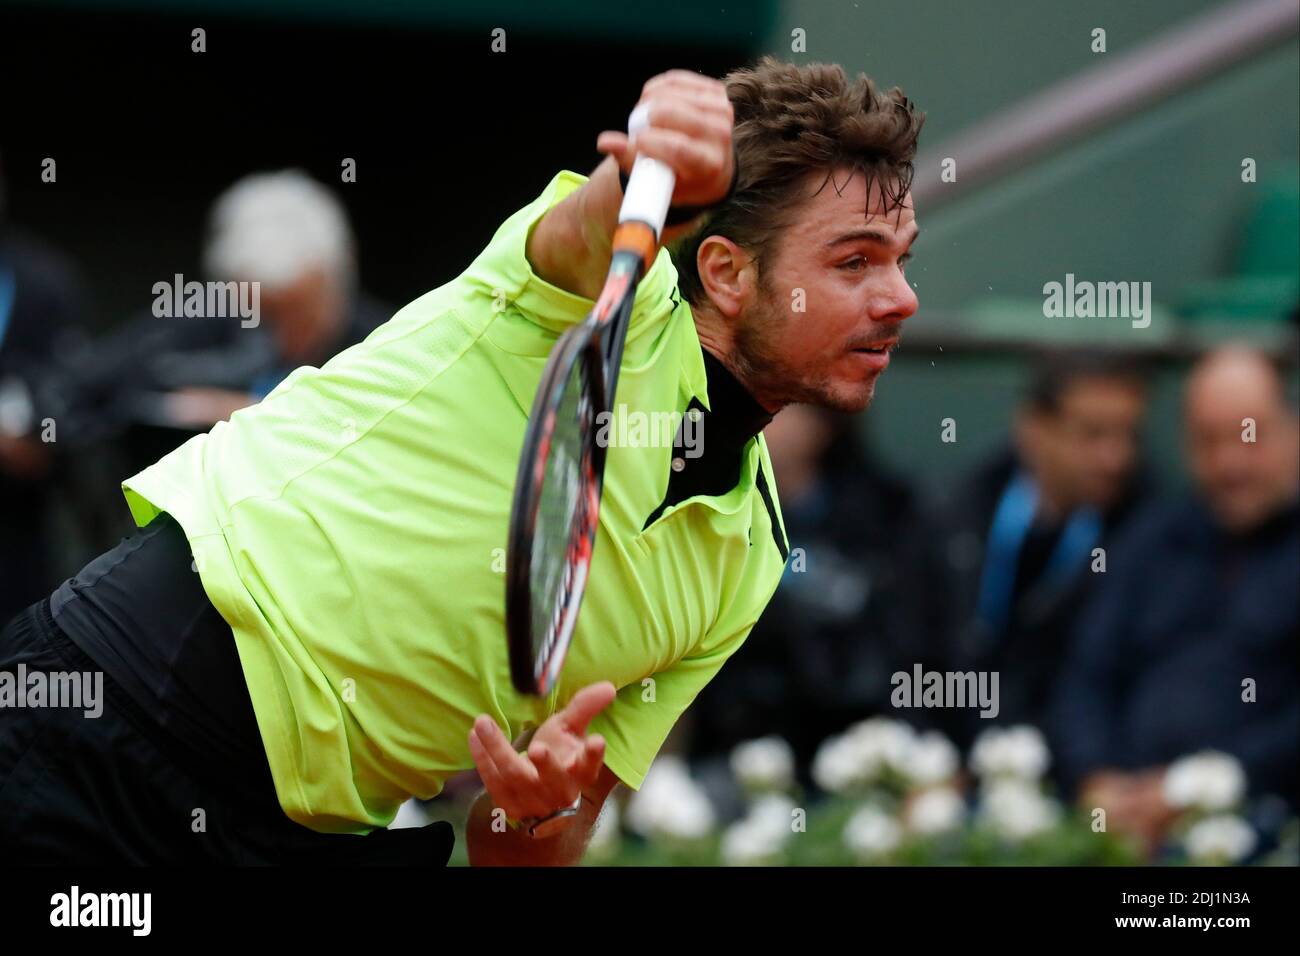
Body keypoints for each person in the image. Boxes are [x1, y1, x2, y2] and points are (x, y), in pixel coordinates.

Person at [0, 58, 923, 865]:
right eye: (856, 262)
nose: (902, 298)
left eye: (902, 261)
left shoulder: (747, 562)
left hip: (308, 834)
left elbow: (523, 850)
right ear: (724, 271)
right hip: (110, 711)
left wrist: (538, 811)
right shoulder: (604, 295)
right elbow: (590, 223)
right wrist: (654, 168)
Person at [1051, 346, 1300, 853]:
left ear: (1292, 432)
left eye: (1250, 436)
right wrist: (1096, 778)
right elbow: (1086, 675)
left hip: (1263, 822)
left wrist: (1193, 789)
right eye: (1209, 440)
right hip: (1122, 820)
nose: (1231, 462)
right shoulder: (1153, 540)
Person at [913, 350, 1149, 749]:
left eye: (1129, 435)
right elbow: (909, 657)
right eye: (1093, 434)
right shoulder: (953, 515)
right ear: (1034, 430)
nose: (1116, 458)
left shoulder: (1147, 537)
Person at [687, 405, 918, 790]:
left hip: (844, 757)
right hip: (730, 752)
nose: (762, 422)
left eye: (783, 408)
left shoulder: (884, 515)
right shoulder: (704, 509)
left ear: (822, 427)